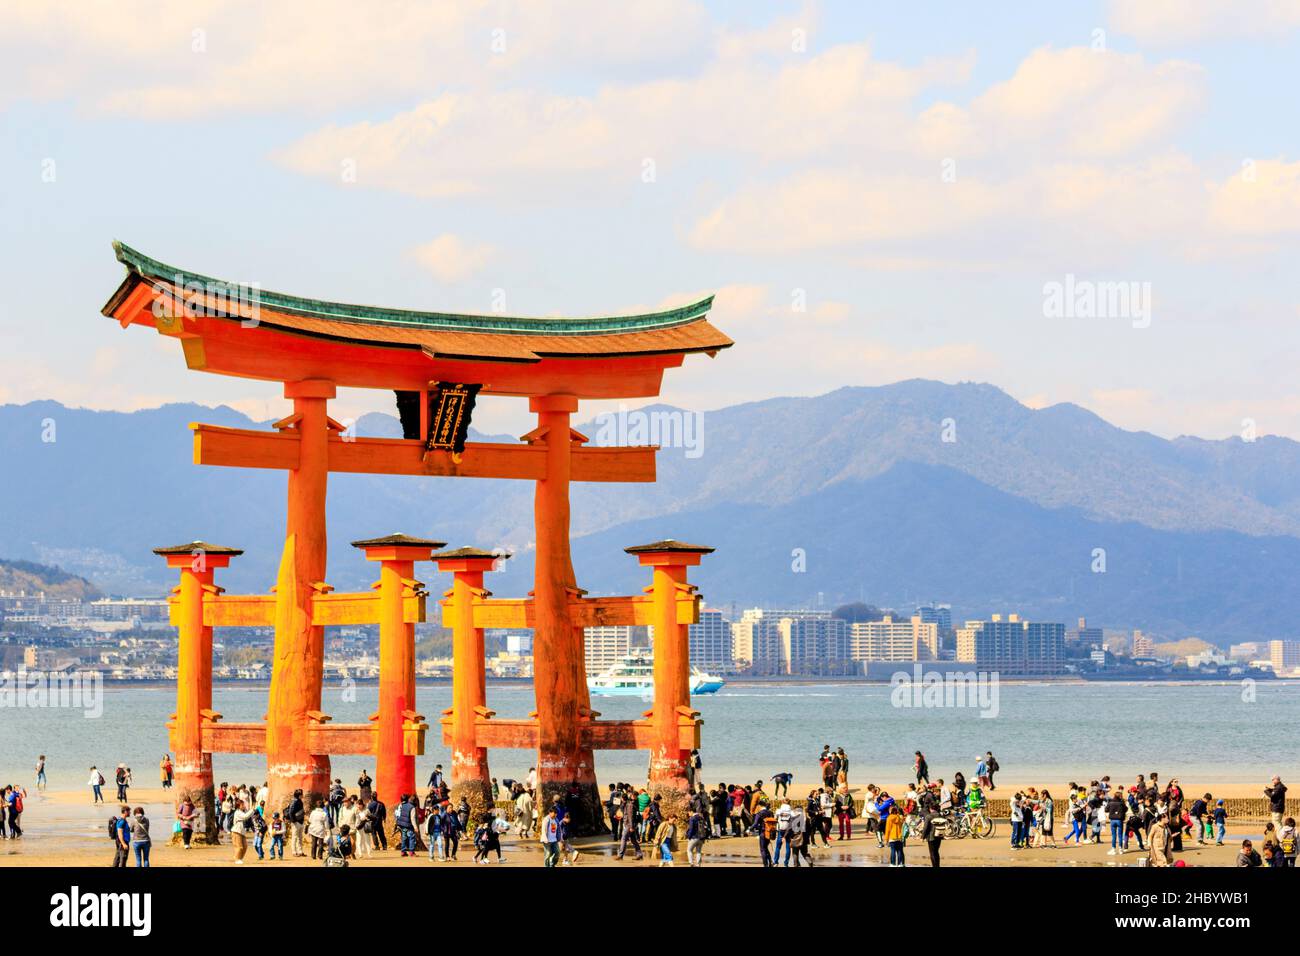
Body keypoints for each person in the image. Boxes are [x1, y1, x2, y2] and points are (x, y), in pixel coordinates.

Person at [230, 798, 253, 864]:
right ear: (238, 805)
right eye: (242, 805)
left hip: (241, 832)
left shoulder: (241, 812)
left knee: (245, 846)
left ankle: (239, 858)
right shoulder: (237, 812)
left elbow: (246, 817)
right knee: (239, 847)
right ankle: (237, 859)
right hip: (236, 831)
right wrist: (252, 810)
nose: (244, 806)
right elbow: (245, 817)